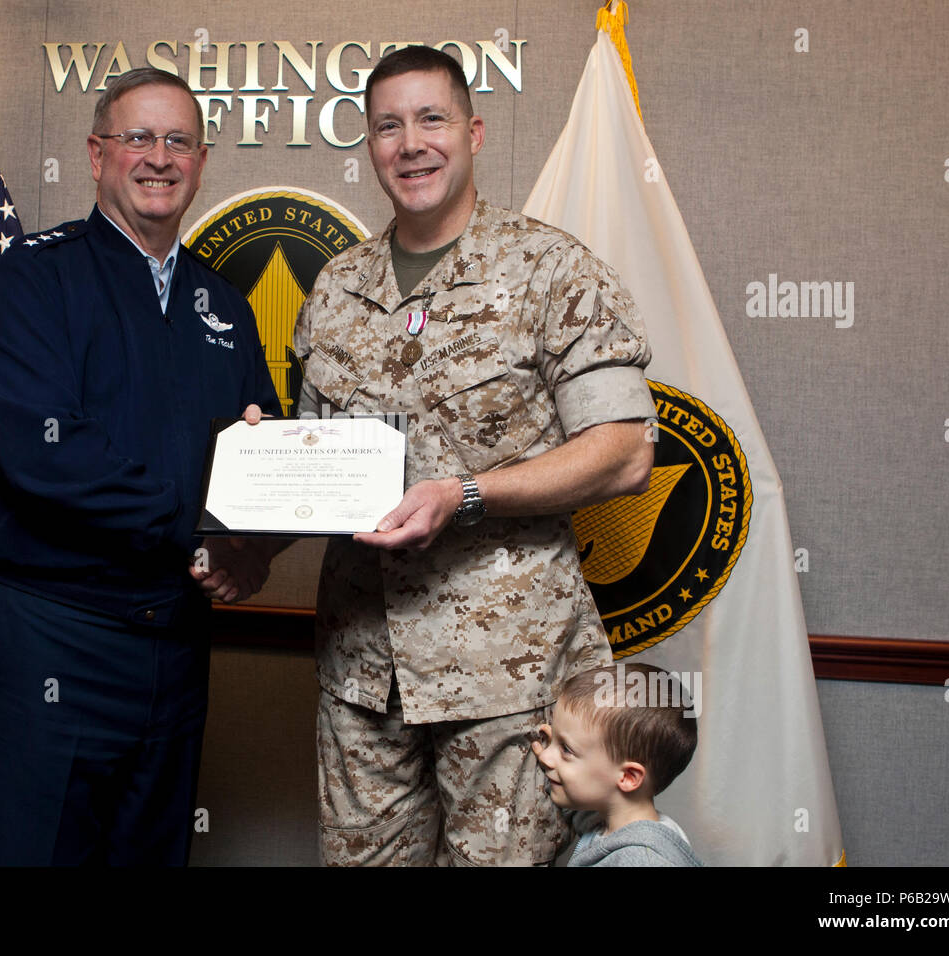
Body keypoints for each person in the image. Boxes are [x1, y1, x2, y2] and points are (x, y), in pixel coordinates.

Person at [291, 45, 657, 865]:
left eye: (432, 119)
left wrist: (465, 494)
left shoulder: (552, 271)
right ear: (371, 144)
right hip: (362, 677)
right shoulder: (336, 287)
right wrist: (264, 461)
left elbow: (625, 451)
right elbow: (315, 467)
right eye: (389, 125)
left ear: (474, 132)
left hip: (508, 678)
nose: (411, 142)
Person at [0, 68, 280, 866]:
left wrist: (256, 545)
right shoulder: (35, 277)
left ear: (203, 162)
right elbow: (47, 456)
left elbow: (264, 447)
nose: (158, 157)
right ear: (98, 154)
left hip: (175, 643)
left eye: (178, 141)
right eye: (138, 137)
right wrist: (197, 534)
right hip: (56, 637)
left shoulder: (224, 306)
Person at [532, 662, 701, 866]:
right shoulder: (605, 818)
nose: (546, 757)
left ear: (628, 777)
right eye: (553, 741)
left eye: (566, 749)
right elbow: (576, 803)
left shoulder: (642, 861)